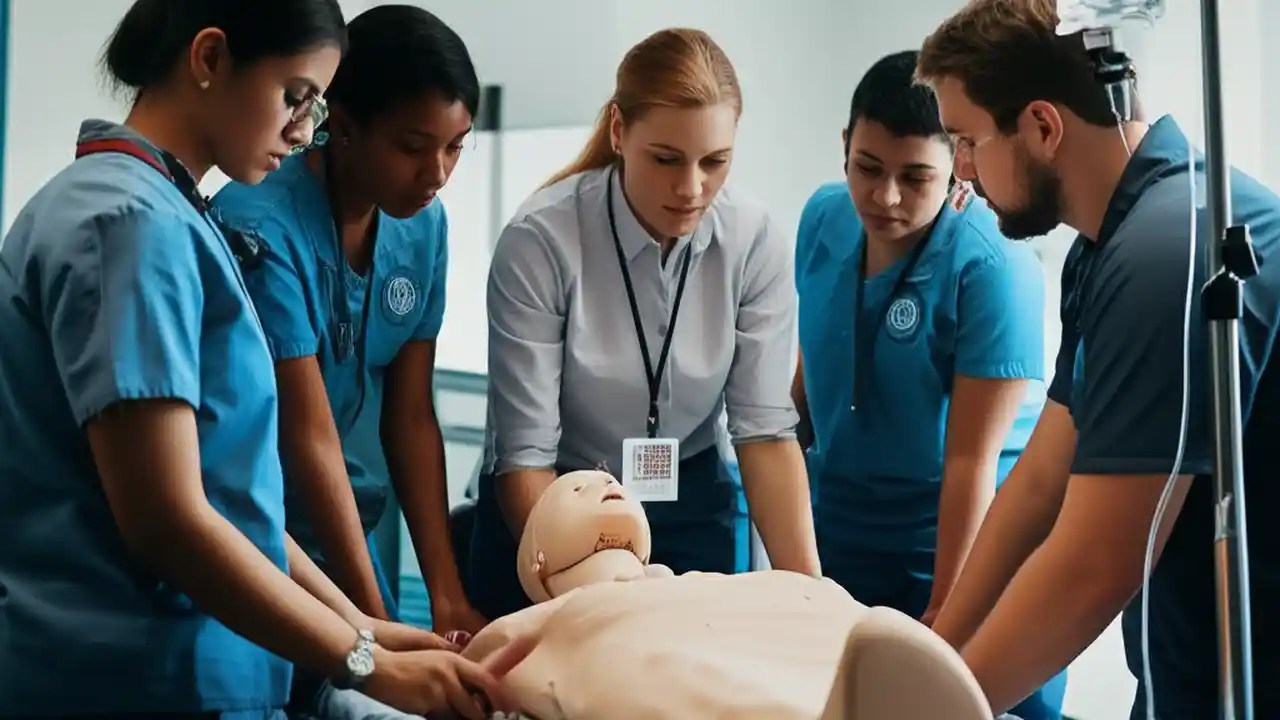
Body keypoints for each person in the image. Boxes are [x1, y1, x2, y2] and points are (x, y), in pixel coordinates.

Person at [0, 2, 522, 718]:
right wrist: (362, 664)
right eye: (296, 97)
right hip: (136, 676)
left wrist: (364, 628)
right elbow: (170, 520)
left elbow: (229, 494)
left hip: (214, 672)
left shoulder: (175, 216)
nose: (308, 130)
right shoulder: (125, 223)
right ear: (210, 59)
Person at [914, 1, 1280, 717]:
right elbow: (1042, 481)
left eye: (966, 140)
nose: (959, 170)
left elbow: (1094, 564)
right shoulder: (1109, 247)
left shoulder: (1168, 253)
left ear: (1043, 127)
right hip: (1186, 672)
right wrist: (939, 649)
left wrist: (939, 707)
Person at [466, 27, 821, 620]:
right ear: (618, 132)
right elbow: (524, 455)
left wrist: (813, 600)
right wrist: (596, 603)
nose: (691, 188)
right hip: (555, 504)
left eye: (715, 162)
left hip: (687, 502)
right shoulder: (542, 241)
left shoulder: (752, 240)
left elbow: (764, 435)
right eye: (666, 160)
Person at [790, 49, 1065, 720]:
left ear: (959, 170)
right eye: (868, 168)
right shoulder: (823, 218)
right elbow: (808, 377)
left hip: (958, 543)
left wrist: (950, 612)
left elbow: (971, 463)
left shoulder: (992, 264)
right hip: (840, 529)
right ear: (845, 149)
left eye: (916, 177)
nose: (885, 197)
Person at [212, 5, 486, 636]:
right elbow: (306, 437)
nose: (437, 175)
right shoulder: (259, 225)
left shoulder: (423, 225)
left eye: (455, 148)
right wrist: (376, 623)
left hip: (350, 540)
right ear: (344, 125)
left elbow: (411, 416)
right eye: (413, 148)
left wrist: (446, 597)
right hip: (261, 539)